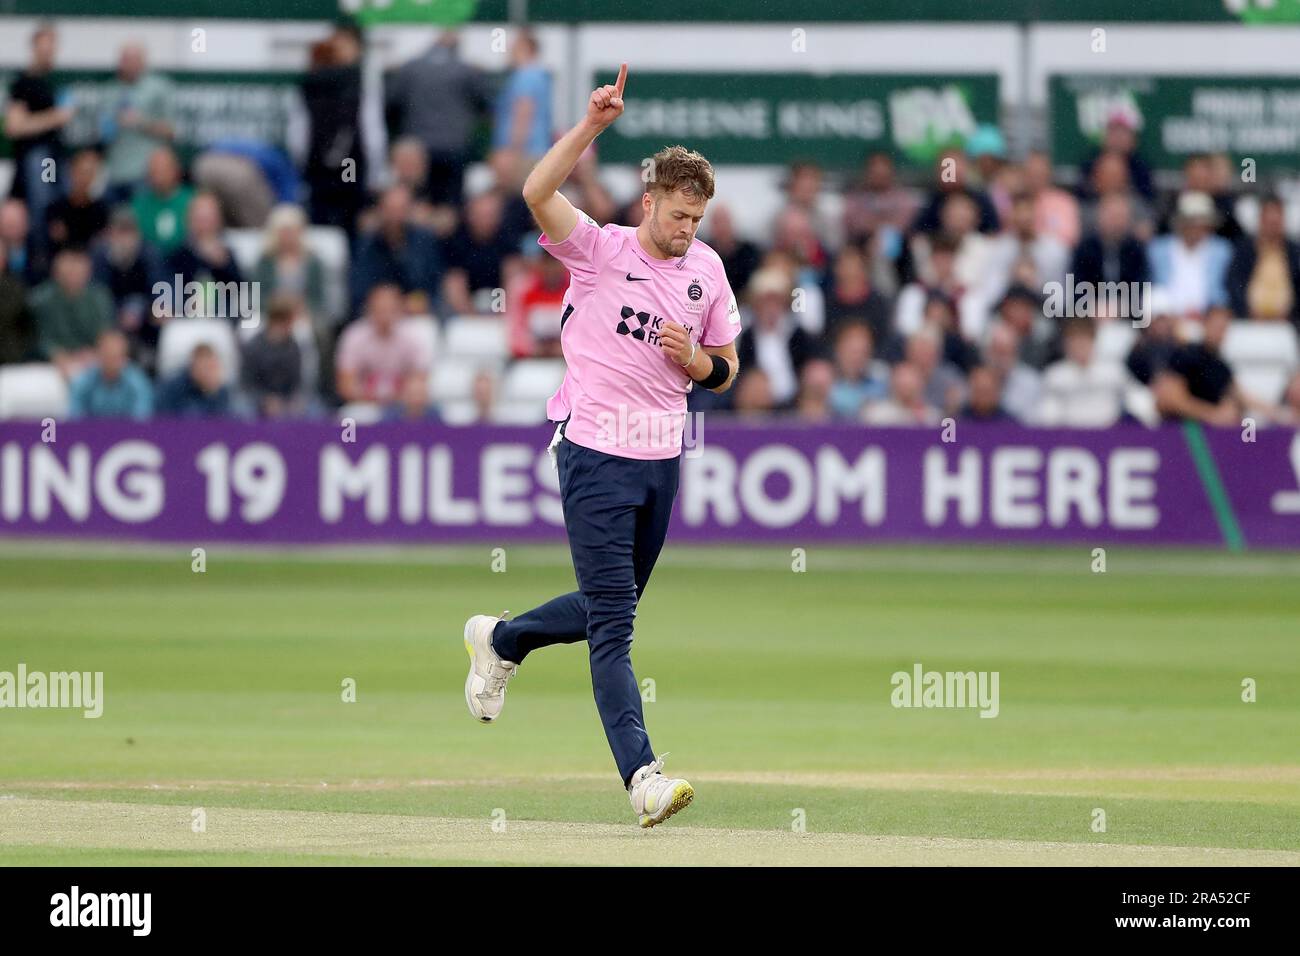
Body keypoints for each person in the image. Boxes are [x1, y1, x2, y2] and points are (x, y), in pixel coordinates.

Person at [463, 65, 740, 830]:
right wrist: (590, 126)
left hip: (662, 459)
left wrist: (697, 365)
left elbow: (726, 369)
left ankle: (502, 639)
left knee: (603, 608)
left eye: (697, 219)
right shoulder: (599, 249)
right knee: (615, 628)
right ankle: (642, 778)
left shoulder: (708, 272)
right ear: (649, 201)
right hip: (592, 452)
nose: (687, 231)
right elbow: (534, 193)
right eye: (678, 215)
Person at [4, 24, 72, 246]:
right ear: (34, 47)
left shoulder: (51, 82)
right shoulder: (23, 83)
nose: (48, 52)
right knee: (43, 207)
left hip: (53, 157)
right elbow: (14, 126)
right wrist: (55, 117)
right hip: (39, 159)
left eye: (51, 47)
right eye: (44, 47)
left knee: (57, 207)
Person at [67, 329, 152, 419]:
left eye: (116, 357)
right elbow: (75, 419)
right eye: (108, 356)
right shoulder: (83, 382)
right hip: (91, 431)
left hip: (128, 432)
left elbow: (141, 420)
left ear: (125, 357)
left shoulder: (138, 384)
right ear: (99, 355)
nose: (112, 363)